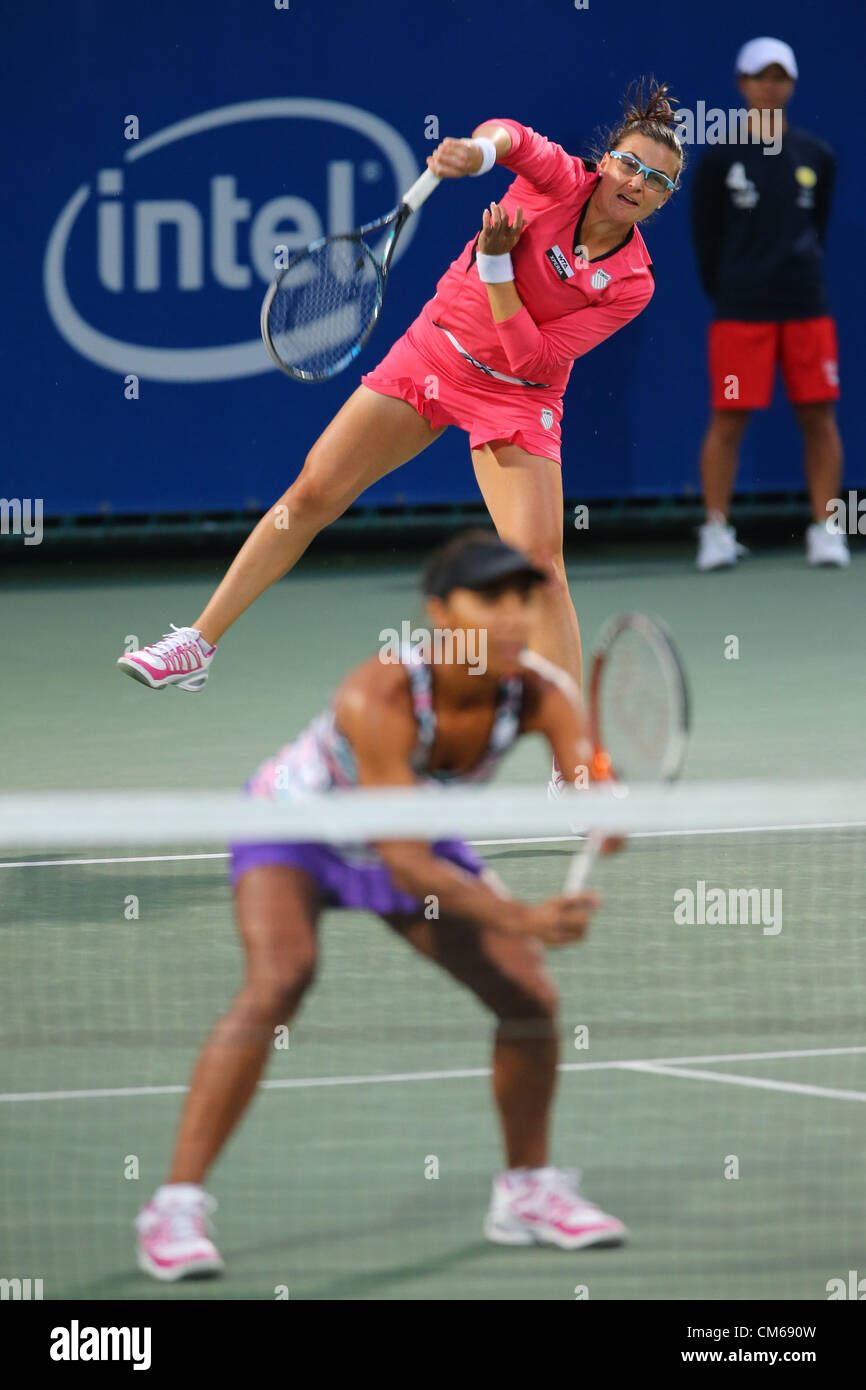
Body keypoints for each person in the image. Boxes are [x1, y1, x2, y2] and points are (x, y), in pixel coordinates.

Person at [117, 82, 682, 735]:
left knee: (540, 568)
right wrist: (477, 151)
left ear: (664, 200)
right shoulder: (559, 181)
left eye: (657, 181)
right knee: (311, 493)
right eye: (630, 165)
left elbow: (530, 361)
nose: (637, 183)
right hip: (433, 355)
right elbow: (514, 137)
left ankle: (576, 756)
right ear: (605, 160)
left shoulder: (633, 284)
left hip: (518, 400)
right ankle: (197, 643)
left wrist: (496, 268)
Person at [134, 532, 626, 1281]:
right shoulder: (382, 693)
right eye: (488, 598)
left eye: (521, 598)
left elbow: (586, 783)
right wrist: (523, 918)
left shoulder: (542, 692)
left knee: (528, 996)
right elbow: (403, 860)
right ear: (439, 611)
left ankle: (526, 1192)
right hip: (298, 830)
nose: (510, 616)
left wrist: (608, 811)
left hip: (410, 830)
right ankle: (174, 1204)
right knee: (281, 978)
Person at [691, 37, 846, 570]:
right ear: (743, 85)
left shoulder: (816, 154)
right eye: (761, 76)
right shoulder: (719, 157)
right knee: (728, 420)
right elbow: (705, 237)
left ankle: (826, 530)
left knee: (819, 418)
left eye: (781, 76)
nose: (771, 86)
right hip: (741, 309)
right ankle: (715, 531)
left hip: (806, 305)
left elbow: (816, 228)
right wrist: (732, 288)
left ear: (793, 85)